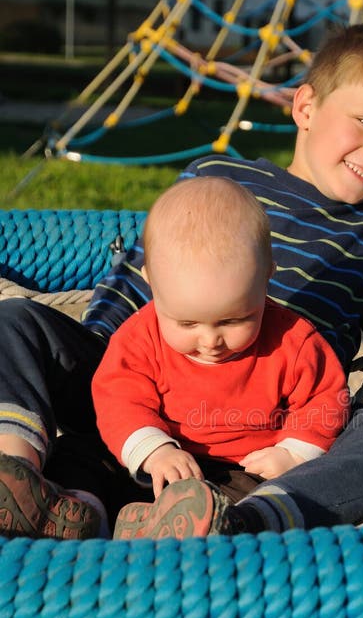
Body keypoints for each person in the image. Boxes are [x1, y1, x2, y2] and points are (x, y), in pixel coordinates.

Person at [0, 23, 363, 540]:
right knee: (16, 321)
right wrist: (102, 353)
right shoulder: (218, 178)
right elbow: (147, 272)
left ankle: (245, 520)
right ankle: (16, 471)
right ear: (306, 109)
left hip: (266, 437)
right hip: (141, 394)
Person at [92, 177, 349, 538]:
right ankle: (82, 508)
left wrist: (292, 452)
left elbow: (324, 396)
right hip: (157, 460)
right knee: (83, 455)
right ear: (152, 284)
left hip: (242, 470)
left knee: (250, 494)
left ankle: (190, 527)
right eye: (187, 322)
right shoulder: (140, 336)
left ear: (266, 279)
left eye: (233, 320)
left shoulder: (293, 340)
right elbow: (118, 397)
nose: (211, 340)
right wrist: (155, 450)